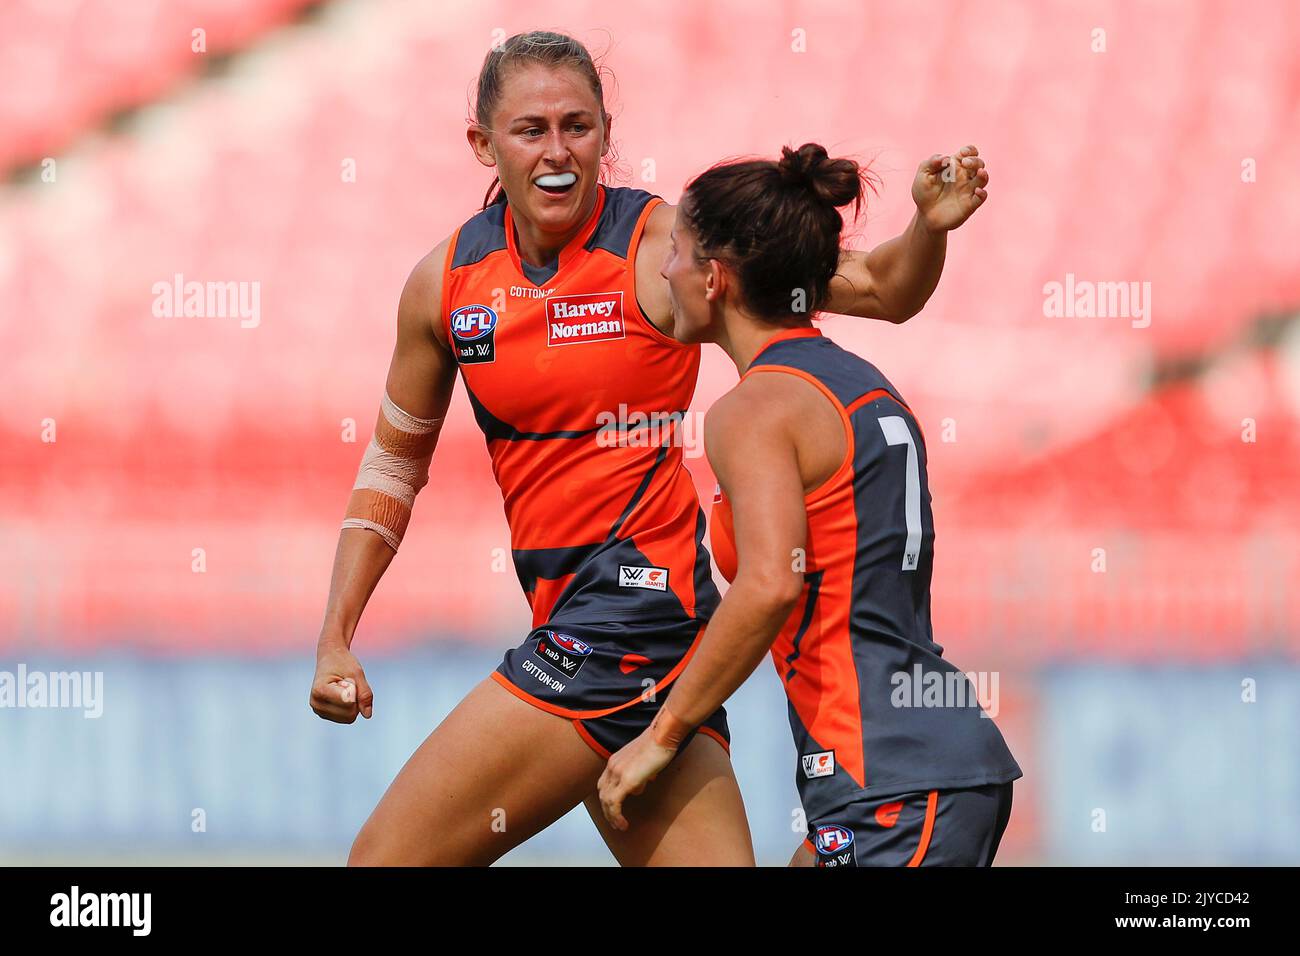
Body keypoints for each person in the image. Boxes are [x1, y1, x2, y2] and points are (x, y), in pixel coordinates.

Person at [310, 30, 990, 866]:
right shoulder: (444, 284)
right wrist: (338, 633)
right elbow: (391, 465)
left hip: (633, 611)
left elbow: (883, 289)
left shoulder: (664, 248)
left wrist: (928, 224)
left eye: (579, 125)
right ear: (483, 144)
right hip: (613, 630)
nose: (559, 152)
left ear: (606, 131)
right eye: (532, 131)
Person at [597, 142, 1020, 867]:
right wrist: (930, 228)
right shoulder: (854, 381)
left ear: (716, 277)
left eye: (678, 251)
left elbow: (768, 584)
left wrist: (660, 738)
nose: (663, 270)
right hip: (915, 768)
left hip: (889, 774)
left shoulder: (755, 409)